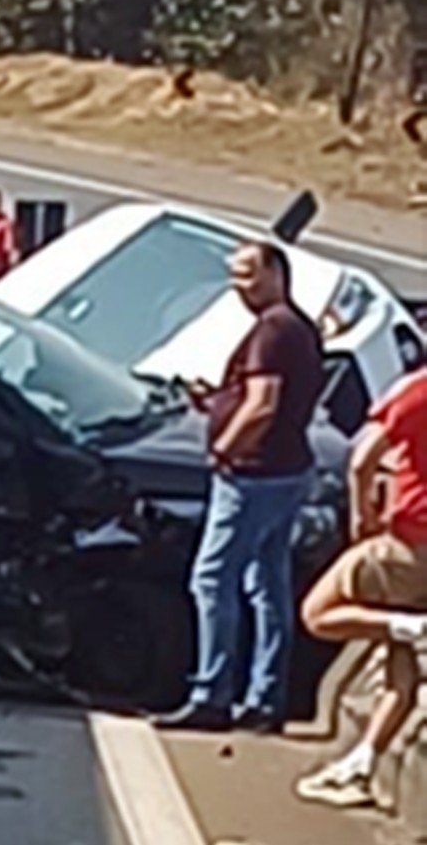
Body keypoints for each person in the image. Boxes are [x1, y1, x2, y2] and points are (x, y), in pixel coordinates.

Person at [156, 241, 326, 732]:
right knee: (266, 584)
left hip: (255, 474)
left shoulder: (274, 331)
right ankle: (264, 698)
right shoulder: (297, 329)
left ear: (276, 272)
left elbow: (264, 404)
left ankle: (212, 695)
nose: (239, 286)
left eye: (248, 274)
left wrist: (224, 449)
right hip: (288, 470)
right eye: (233, 276)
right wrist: (215, 402)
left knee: (212, 579)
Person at [295, 369, 427, 808]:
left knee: (319, 613)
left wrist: (362, 515)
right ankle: (362, 765)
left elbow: (362, 459)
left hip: (408, 542)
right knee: (397, 663)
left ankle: (413, 626)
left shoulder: (417, 390)